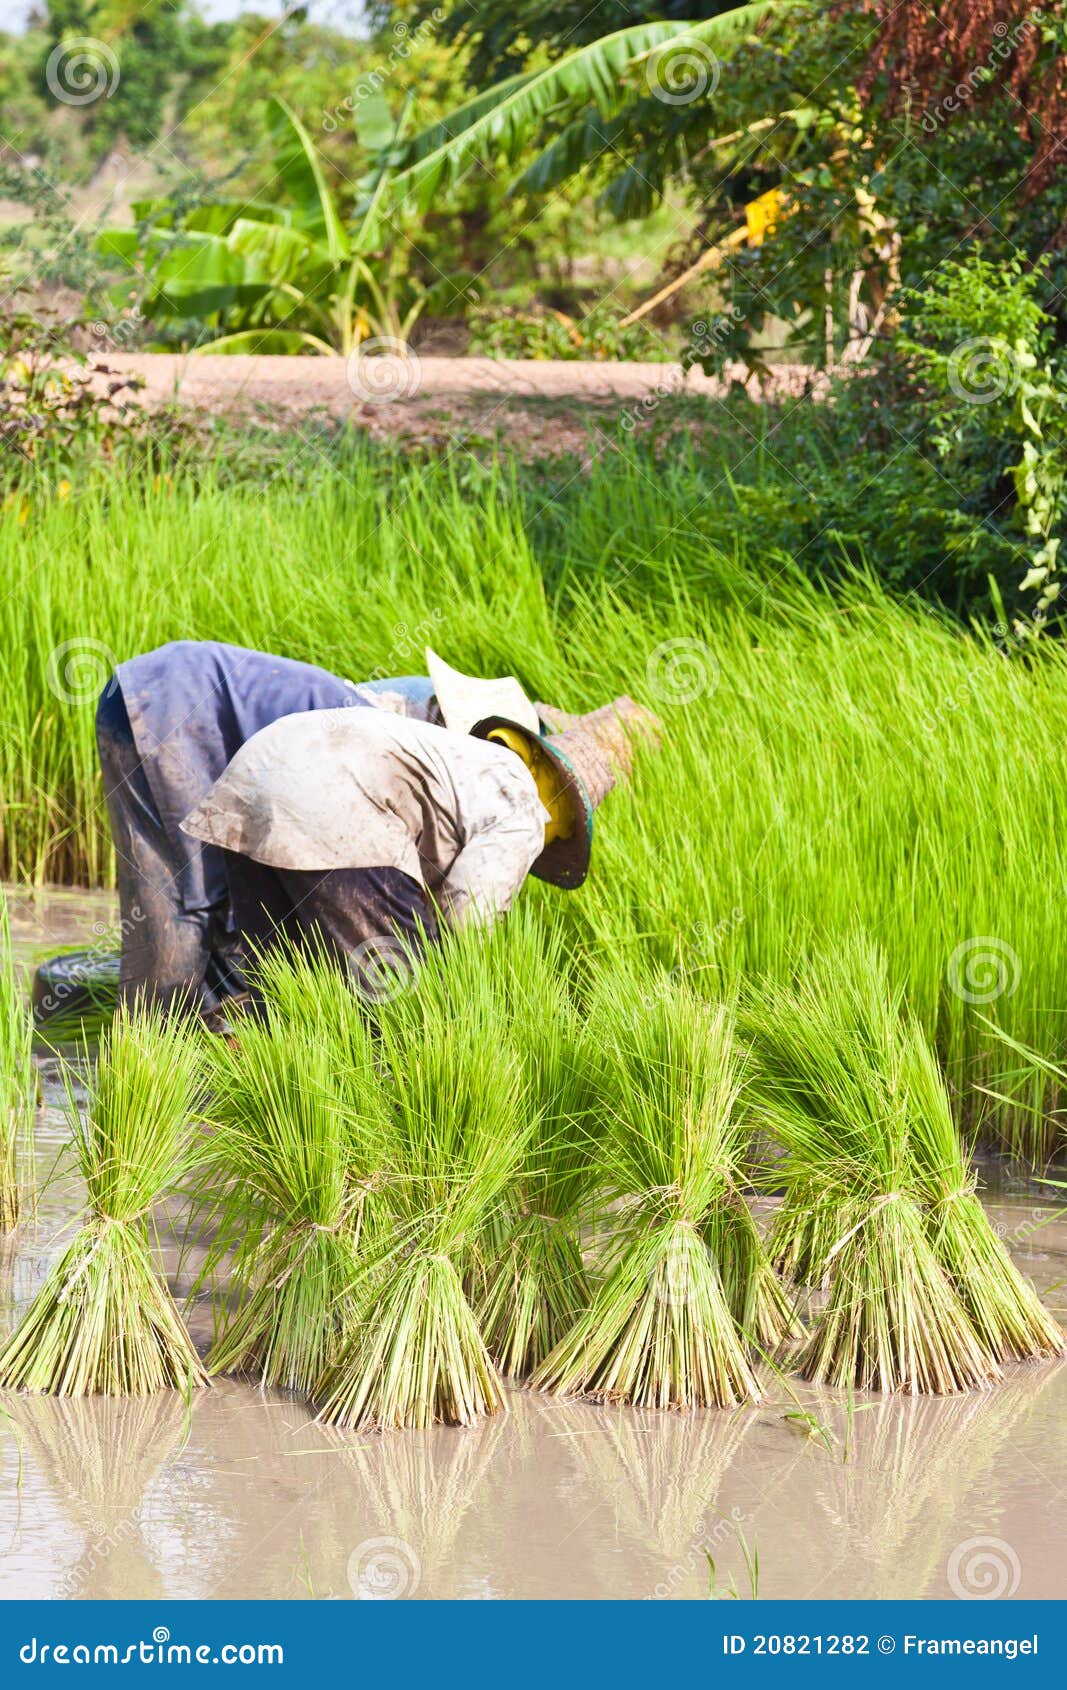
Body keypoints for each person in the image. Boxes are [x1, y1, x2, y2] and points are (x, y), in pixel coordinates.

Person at [180, 652, 653, 999]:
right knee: (402, 997)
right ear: (567, 822)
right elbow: (467, 907)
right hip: (334, 808)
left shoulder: (468, 759)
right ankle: (387, 1121)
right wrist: (462, 988)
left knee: (284, 985)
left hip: (255, 774)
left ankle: (228, 1091)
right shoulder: (529, 807)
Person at [95, 639, 439, 1015]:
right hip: (170, 708)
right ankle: (152, 1043)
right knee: (188, 893)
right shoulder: (370, 740)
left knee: (215, 888)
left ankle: (187, 1028)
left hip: (149, 694)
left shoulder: (362, 714)